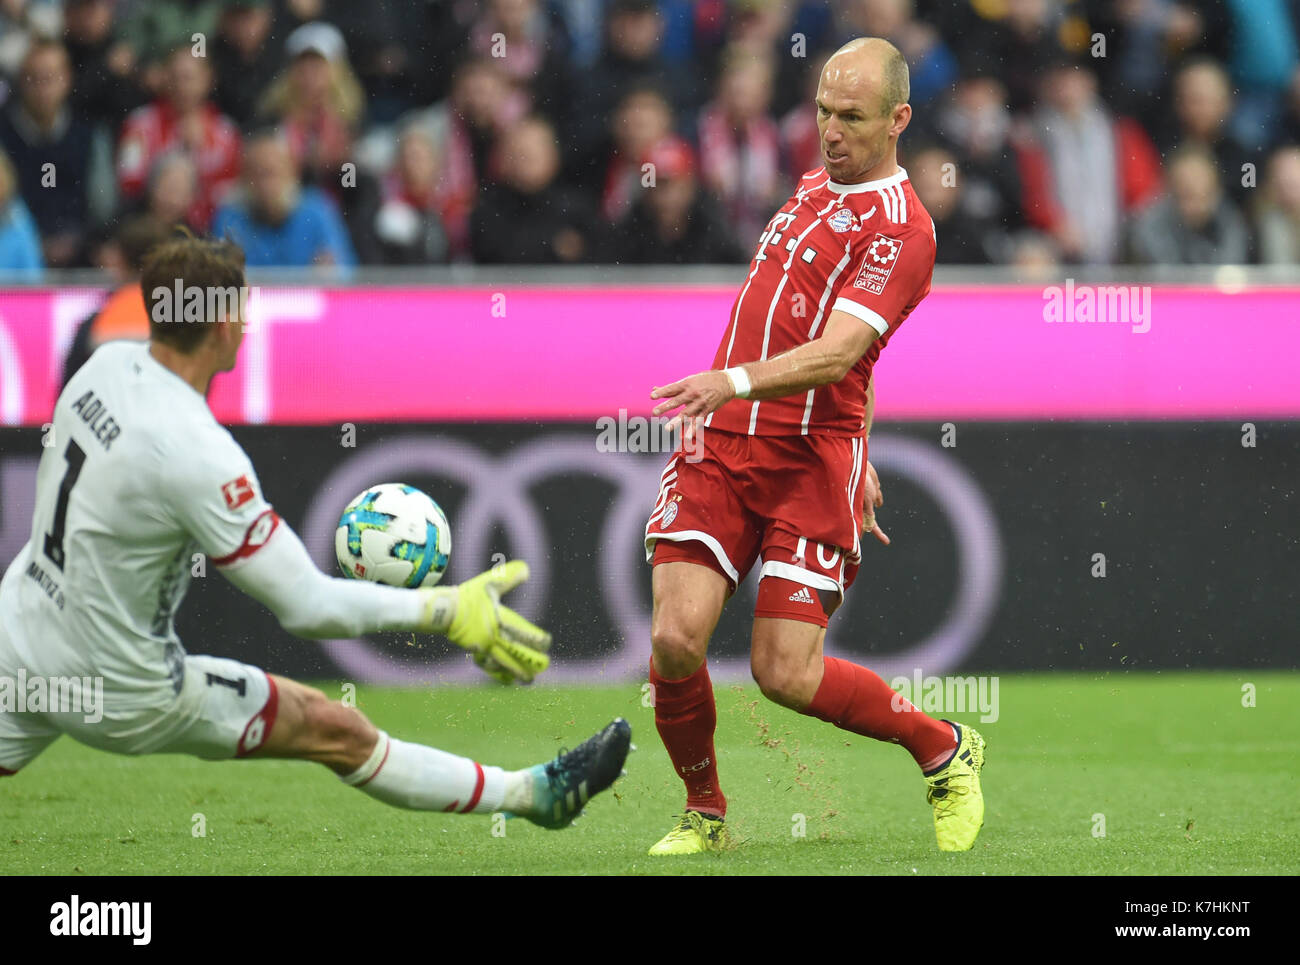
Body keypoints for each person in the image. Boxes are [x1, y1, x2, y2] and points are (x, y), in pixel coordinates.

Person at [0, 234, 630, 826]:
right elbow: (308, 605)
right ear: (223, 327)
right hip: (120, 684)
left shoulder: (101, 366)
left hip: (22, 637)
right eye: (243, 311)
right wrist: (443, 608)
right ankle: (533, 795)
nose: (247, 325)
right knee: (336, 729)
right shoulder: (198, 454)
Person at [642, 38, 985, 856]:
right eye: (825, 112)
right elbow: (852, 354)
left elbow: (839, 353)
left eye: (853, 118)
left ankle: (942, 747)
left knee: (785, 672)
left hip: (805, 459)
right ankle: (705, 811)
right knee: (673, 638)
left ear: (899, 120)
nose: (830, 132)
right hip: (722, 447)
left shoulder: (906, 231)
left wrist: (738, 383)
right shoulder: (810, 183)